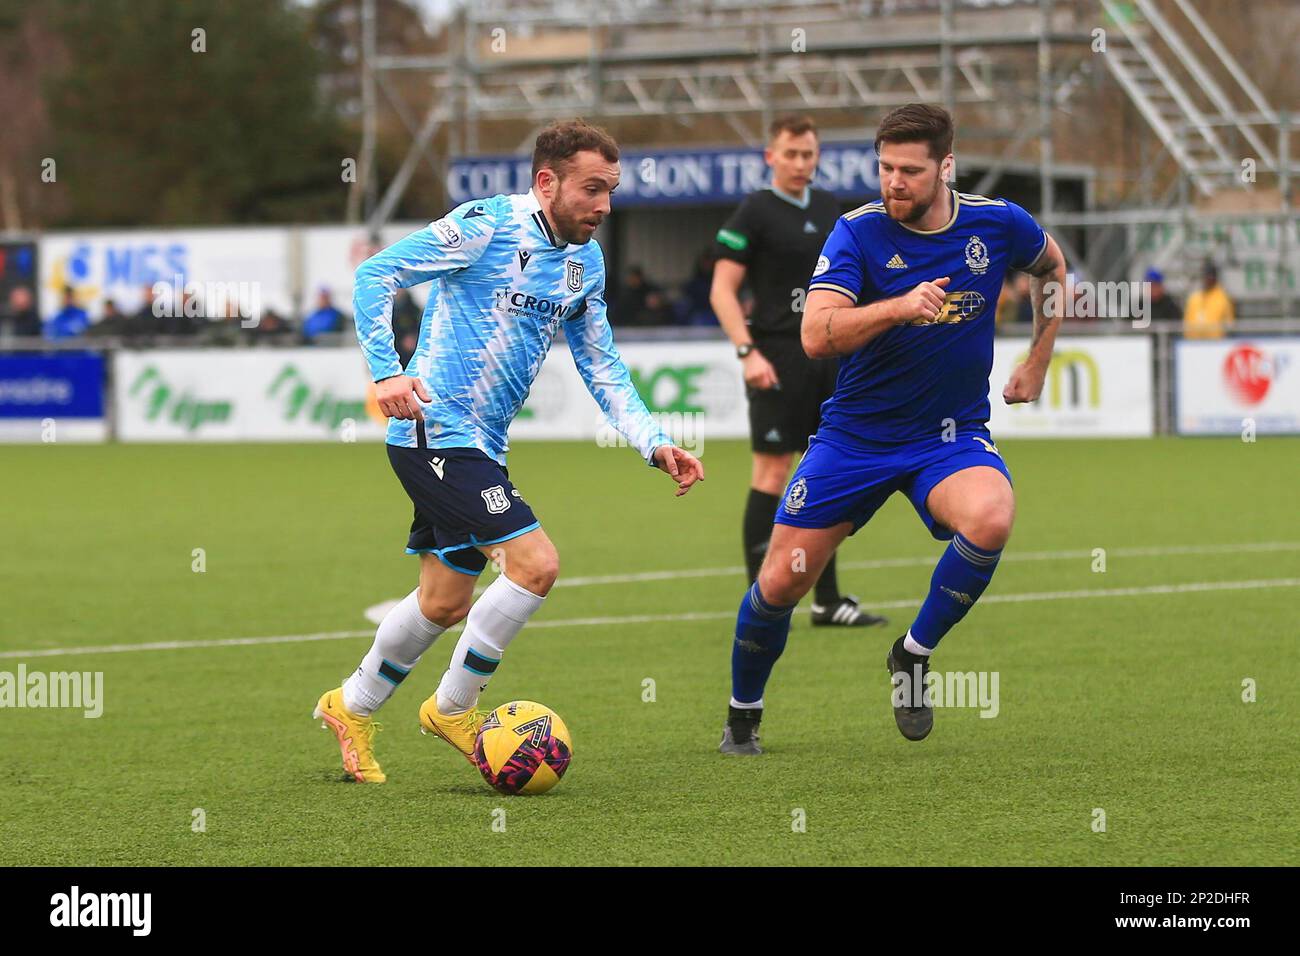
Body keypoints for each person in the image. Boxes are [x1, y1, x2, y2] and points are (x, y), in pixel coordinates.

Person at [313, 118, 705, 783]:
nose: (604, 207)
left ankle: (349, 707)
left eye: (611, 191)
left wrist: (653, 439)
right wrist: (386, 372)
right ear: (547, 182)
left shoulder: (586, 262)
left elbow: (602, 365)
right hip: (433, 434)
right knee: (535, 564)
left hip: (481, 448)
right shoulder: (486, 225)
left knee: (442, 603)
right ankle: (454, 708)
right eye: (592, 190)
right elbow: (376, 276)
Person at [717, 103, 1066, 755]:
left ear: (947, 168)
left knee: (991, 517)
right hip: (855, 439)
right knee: (781, 581)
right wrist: (898, 308)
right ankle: (743, 715)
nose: (893, 182)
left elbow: (1051, 267)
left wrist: (1038, 357)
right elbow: (816, 335)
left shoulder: (998, 224)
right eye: (885, 168)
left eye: (910, 170)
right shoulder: (858, 233)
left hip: (951, 436)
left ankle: (911, 654)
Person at [711, 114, 886, 629]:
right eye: (790, 153)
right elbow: (722, 290)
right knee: (770, 473)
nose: (800, 163)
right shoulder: (754, 212)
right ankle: (759, 600)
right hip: (778, 355)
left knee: (827, 473)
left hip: (831, 357)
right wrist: (748, 353)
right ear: (771, 156)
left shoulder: (833, 208)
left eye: (808, 154)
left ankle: (827, 602)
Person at [1182, 262, 1233, 338]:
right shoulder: (1194, 298)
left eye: (1210, 276)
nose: (1206, 279)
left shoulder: (1223, 298)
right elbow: (1186, 324)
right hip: (1193, 345)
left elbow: (1229, 325)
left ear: (1215, 278)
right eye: (1205, 276)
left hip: (1216, 344)